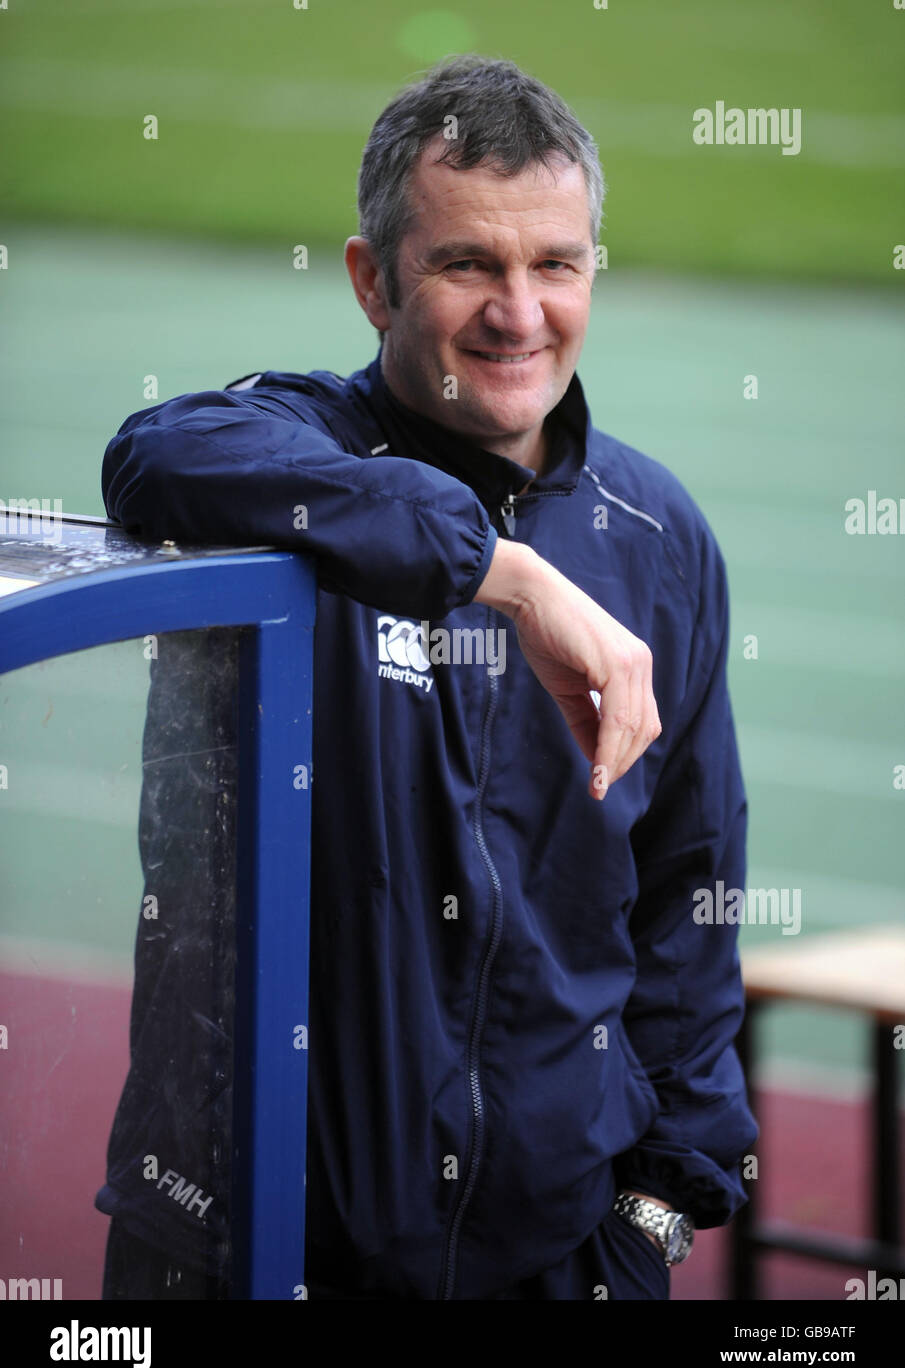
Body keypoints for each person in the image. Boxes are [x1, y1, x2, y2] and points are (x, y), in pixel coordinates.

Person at [97, 54, 757, 1300]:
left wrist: (657, 1211)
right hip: (255, 1244)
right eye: (467, 265)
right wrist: (501, 570)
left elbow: (690, 895)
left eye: (554, 265)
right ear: (369, 280)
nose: (519, 313)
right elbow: (153, 455)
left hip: (563, 1257)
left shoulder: (657, 537)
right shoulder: (287, 455)